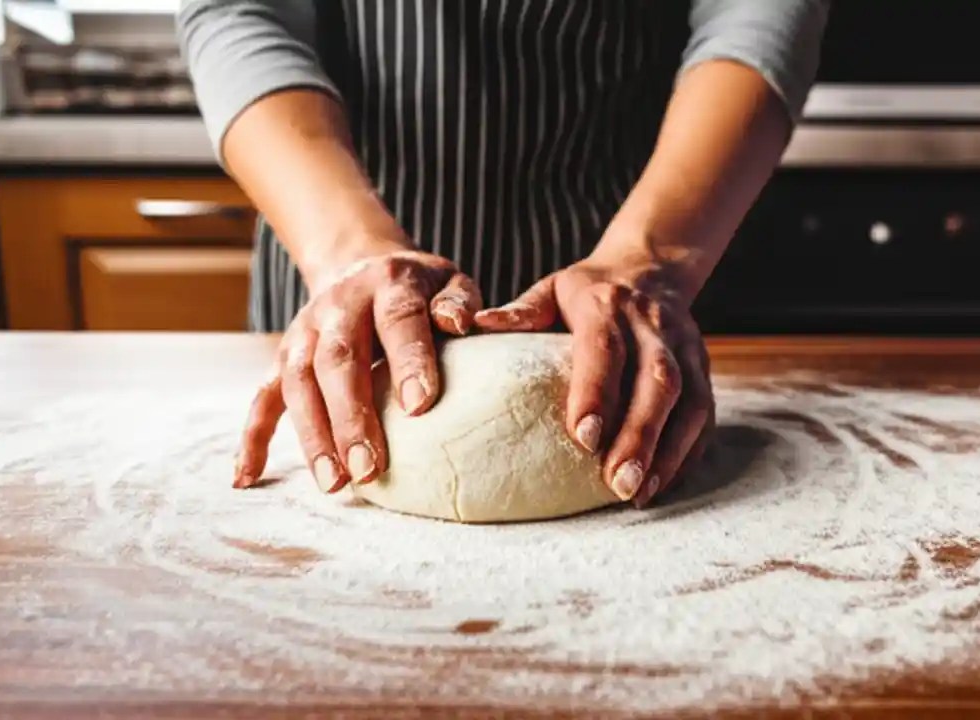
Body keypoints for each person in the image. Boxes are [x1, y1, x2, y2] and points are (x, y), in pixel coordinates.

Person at [178, 0, 828, 508]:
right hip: (339, 260)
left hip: (626, 258)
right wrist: (347, 249)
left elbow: (756, 12)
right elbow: (241, 9)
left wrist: (649, 257)